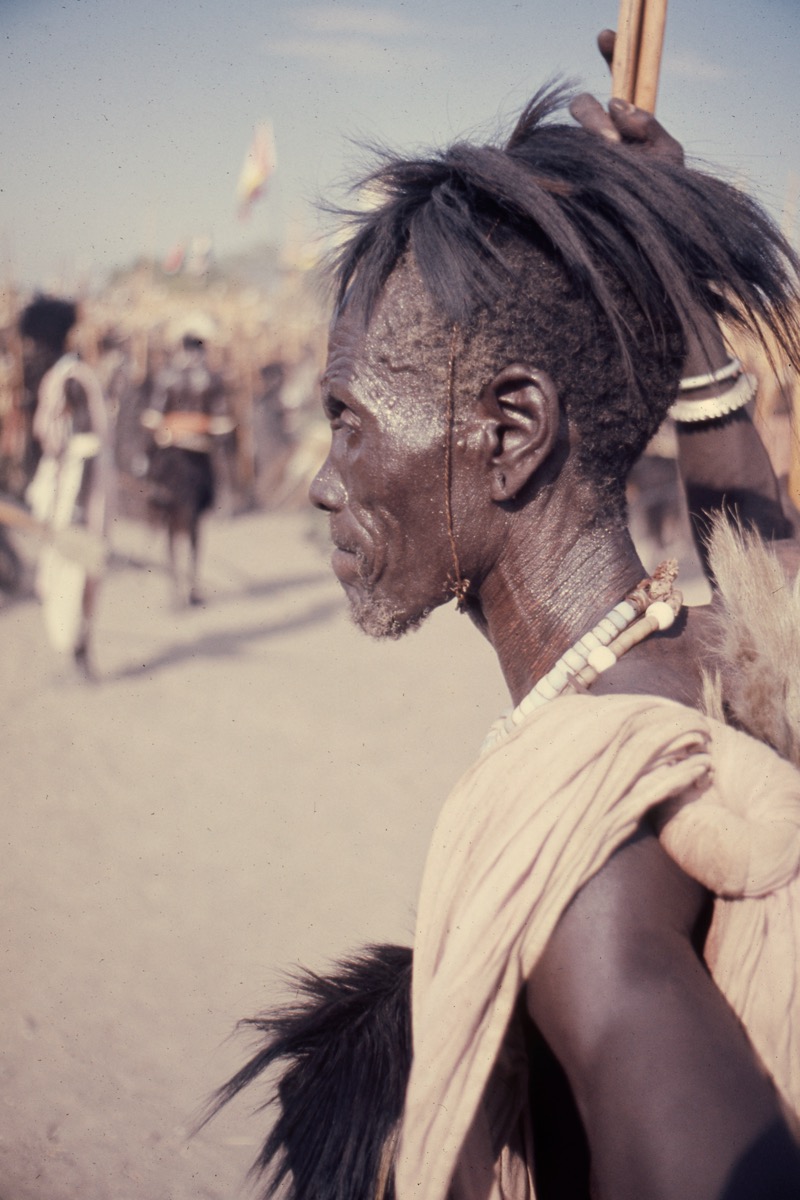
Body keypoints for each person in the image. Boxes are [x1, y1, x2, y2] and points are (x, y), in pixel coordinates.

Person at [210, 57, 800, 1200]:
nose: (324, 482)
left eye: (349, 420)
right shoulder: (700, 659)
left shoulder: (584, 847)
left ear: (510, 428)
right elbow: (768, 567)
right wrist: (677, 292)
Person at [19, 296, 111, 678]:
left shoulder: (72, 378)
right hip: (64, 483)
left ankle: (80, 648)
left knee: (77, 571)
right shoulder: (58, 374)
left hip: (77, 490)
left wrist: (72, 503)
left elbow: (85, 445)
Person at [141, 325, 233, 605]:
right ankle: (183, 583)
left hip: (184, 459)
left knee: (183, 522)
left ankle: (185, 583)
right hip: (182, 459)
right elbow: (221, 423)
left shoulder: (178, 376)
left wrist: (177, 427)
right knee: (185, 522)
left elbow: (153, 418)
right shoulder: (194, 377)